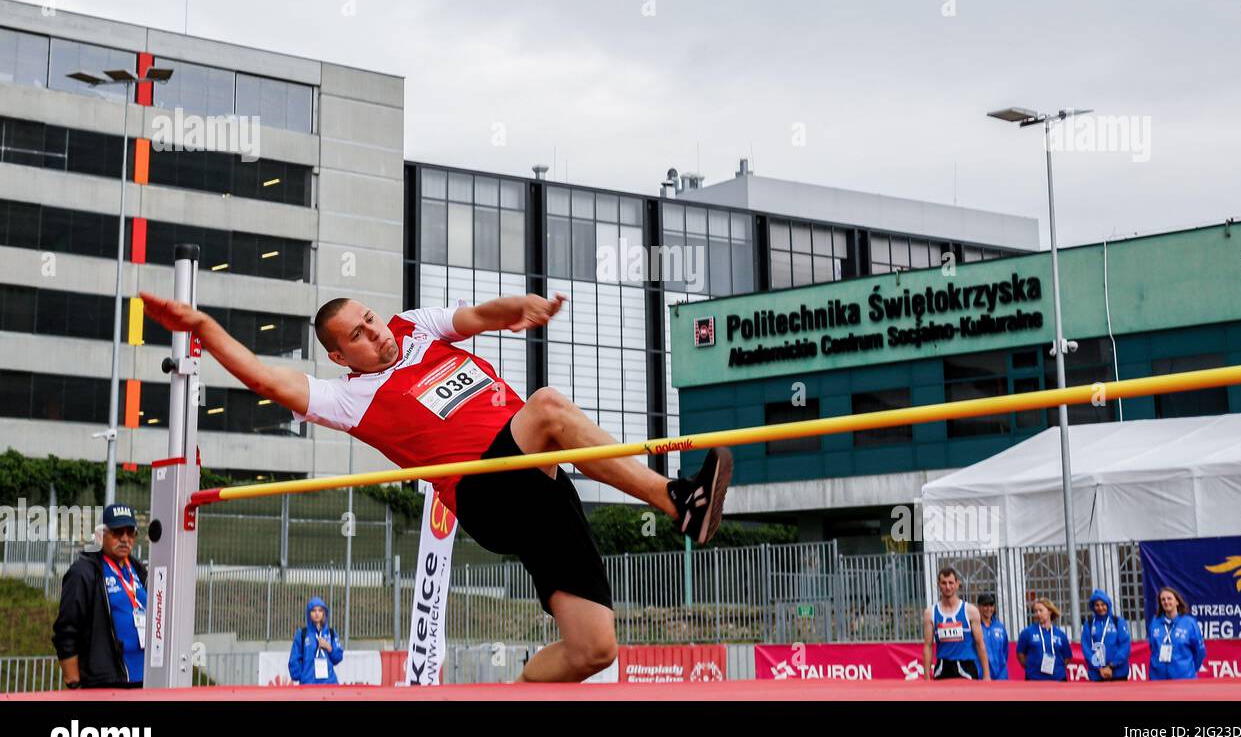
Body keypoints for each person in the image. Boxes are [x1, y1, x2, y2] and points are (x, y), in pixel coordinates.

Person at [141, 290, 732, 684]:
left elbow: (475, 318)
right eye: (359, 336)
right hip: (487, 493)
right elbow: (267, 377)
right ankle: (679, 501)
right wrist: (201, 327)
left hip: (539, 484)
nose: (376, 335)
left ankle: (513, 695)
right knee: (549, 407)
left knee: (593, 648)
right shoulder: (349, 398)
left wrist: (516, 310)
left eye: (370, 320)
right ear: (339, 353)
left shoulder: (414, 327)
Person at [52, 505, 149, 689]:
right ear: (99, 536)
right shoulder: (83, 573)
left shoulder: (138, 570)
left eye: (130, 532)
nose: (124, 539)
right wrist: (74, 684)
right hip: (105, 682)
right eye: (117, 532)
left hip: (145, 680)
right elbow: (66, 631)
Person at [922, 567, 991, 681]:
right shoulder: (930, 613)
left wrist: (986, 675)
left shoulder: (970, 611)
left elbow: (980, 644)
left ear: (957, 584)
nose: (948, 587)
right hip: (943, 668)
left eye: (951, 583)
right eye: (944, 583)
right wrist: (926, 677)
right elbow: (928, 646)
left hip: (966, 667)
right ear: (939, 585)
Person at [1148, 586, 1205, 680]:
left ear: (1177, 602)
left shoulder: (1189, 623)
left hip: (1183, 677)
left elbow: (1200, 651)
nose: (1166, 602)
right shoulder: (1155, 622)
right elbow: (1152, 646)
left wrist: (1189, 669)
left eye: (1169, 598)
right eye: (1163, 599)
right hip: (1158, 677)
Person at [288, 597, 344, 685]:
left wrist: (329, 647)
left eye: (320, 610)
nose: (317, 614)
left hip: (329, 683)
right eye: (313, 611)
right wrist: (302, 676)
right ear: (309, 613)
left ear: (324, 613)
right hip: (309, 685)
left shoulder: (331, 633)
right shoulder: (302, 634)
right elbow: (294, 659)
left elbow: (338, 657)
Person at [1080, 588, 1131, 682]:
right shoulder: (1089, 624)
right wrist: (1100, 668)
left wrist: (1112, 666)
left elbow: (1125, 645)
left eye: (1103, 604)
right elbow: (1086, 648)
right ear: (1093, 607)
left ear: (1108, 605)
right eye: (1097, 605)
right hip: (1097, 674)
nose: (1100, 608)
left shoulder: (1118, 622)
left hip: (1118, 673)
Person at [1016, 599, 1073, 681]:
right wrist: (1031, 667)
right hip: (1035, 678)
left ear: (1049, 611)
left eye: (1040, 610)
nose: (1037, 614)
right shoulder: (1027, 632)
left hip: (1057, 679)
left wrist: (1058, 668)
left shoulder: (1060, 634)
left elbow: (1067, 657)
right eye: (1035, 611)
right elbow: (1020, 654)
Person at [976, 592, 1009, 680]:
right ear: (978, 607)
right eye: (985, 605)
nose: (988, 608)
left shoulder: (1000, 626)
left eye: (991, 605)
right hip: (980, 675)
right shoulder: (974, 626)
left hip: (1001, 676)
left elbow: (1005, 650)